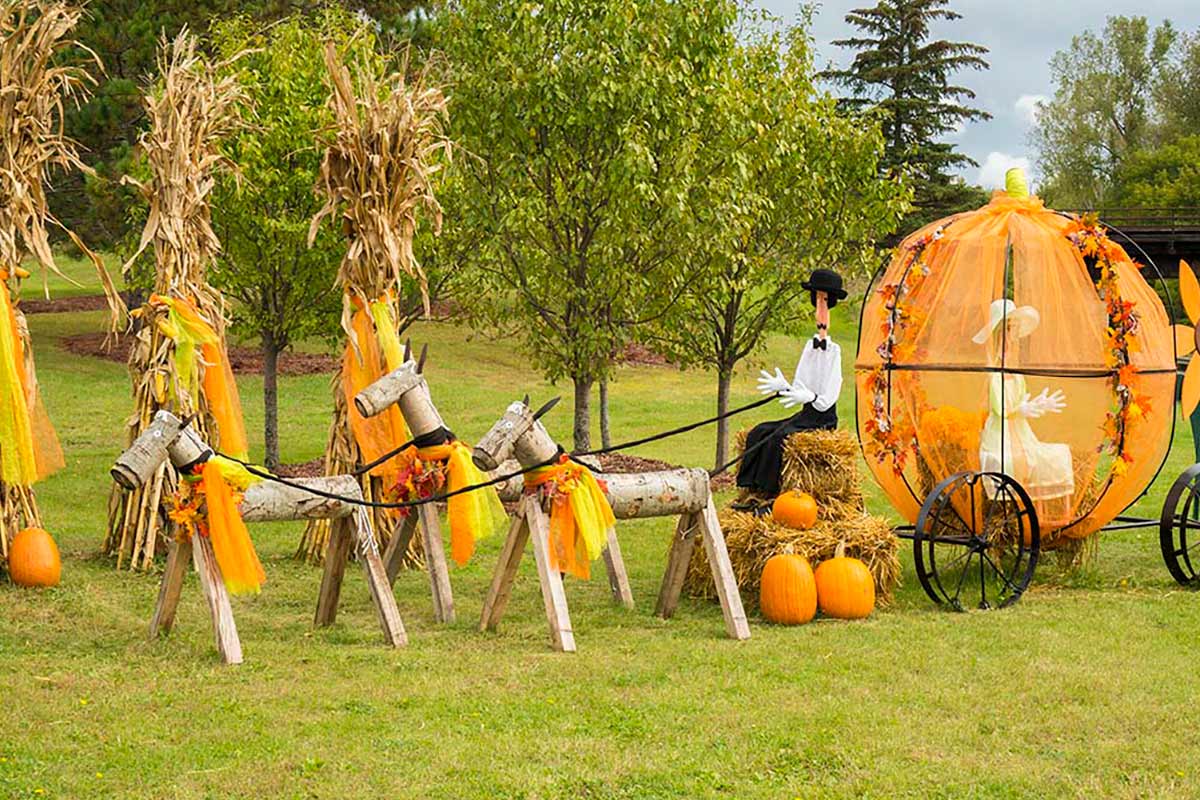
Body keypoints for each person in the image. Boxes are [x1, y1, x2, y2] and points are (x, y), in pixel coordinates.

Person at [735, 268, 846, 501]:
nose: (820, 309)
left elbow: (830, 395)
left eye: (825, 301)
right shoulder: (809, 347)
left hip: (822, 420)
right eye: (817, 301)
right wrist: (785, 387)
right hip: (804, 416)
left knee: (778, 439)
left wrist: (812, 398)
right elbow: (800, 385)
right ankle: (750, 488)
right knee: (760, 432)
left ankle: (771, 493)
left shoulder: (834, 352)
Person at [973, 299, 1074, 523]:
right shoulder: (993, 372)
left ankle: (1048, 517)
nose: (1013, 336)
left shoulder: (1014, 372)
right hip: (1000, 434)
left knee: (1054, 454)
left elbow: (1020, 400)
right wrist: (1020, 409)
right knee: (1013, 461)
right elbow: (1000, 408)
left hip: (1021, 432)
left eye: (1015, 330)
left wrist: (1037, 404)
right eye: (1010, 329)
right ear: (999, 334)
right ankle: (1015, 516)